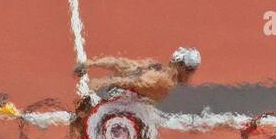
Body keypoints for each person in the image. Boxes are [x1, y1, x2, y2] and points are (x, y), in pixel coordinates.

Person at [73, 46, 201, 103]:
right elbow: (133, 82)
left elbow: (122, 63)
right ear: (181, 67)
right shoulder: (166, 82)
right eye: (190, 70)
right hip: (117, 98)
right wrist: (104, 82)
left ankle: (89, 63)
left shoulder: (156, 66)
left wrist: (92, 63)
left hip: (121, 89)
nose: (191, 73)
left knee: (126, 65)